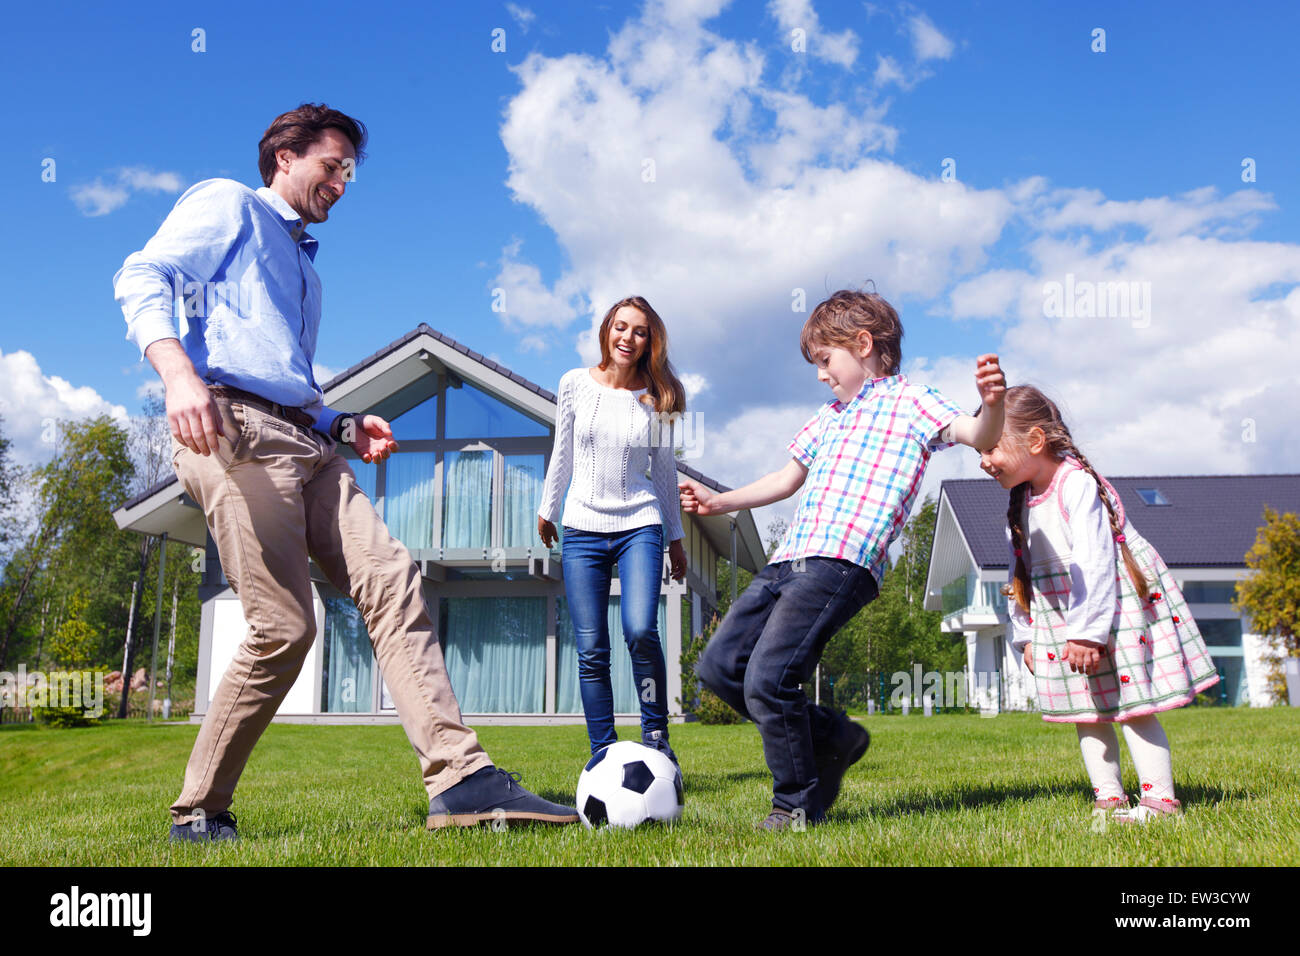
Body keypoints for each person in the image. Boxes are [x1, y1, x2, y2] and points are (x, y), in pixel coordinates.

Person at [113, 103, 578, 841]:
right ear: (284, 158)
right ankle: (201, 809)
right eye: (333, 166)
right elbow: (143, 273)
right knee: (286, 627)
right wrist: (177, 376)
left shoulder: (304, 268)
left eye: (350, 172)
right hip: (235, 432)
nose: (343, 183)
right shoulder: (229, 203)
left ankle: (459, 780)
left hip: (308, 442)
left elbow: (284, 374)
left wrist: (339, 422)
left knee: (392, 578)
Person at [679, 288, 1006, 829]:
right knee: (721, 667)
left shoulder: (912, 401)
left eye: (825, 360)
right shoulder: (826, 418)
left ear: (863, 344)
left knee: (770, 677)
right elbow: (786, 481)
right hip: (790, 560)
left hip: (843, 562)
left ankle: (795, 804)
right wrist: (721, 501)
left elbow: (976, 434)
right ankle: (832, 735)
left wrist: (991, 406)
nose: (820, 374)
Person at [980, 385, 1219, 823]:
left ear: (1034, 441)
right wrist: (1026, 636)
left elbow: (1093, 559)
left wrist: (1087, 633)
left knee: (1132, 707)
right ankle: (1108, 797)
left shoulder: (1075, 484)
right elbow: (1020, 578)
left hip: (1108, 610)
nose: (983, 460)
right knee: (1086, 712)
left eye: (992, 447)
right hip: (1062, 619)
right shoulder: (1019, 505)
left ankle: (1160, 802)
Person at [537, 296, 688, 761]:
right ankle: (602, 753)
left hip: (639, 524)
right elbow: (563, 452)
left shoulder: (657, 398)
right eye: (620, 327)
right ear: (607, 330)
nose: (627, 337)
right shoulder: (574, 384)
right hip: (581, 528)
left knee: (641, 629)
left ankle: (656, 739)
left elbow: (663, 472)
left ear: (649, 342)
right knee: (591, 648)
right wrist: (547, 508)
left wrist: (677, 537)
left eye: (639, 331)